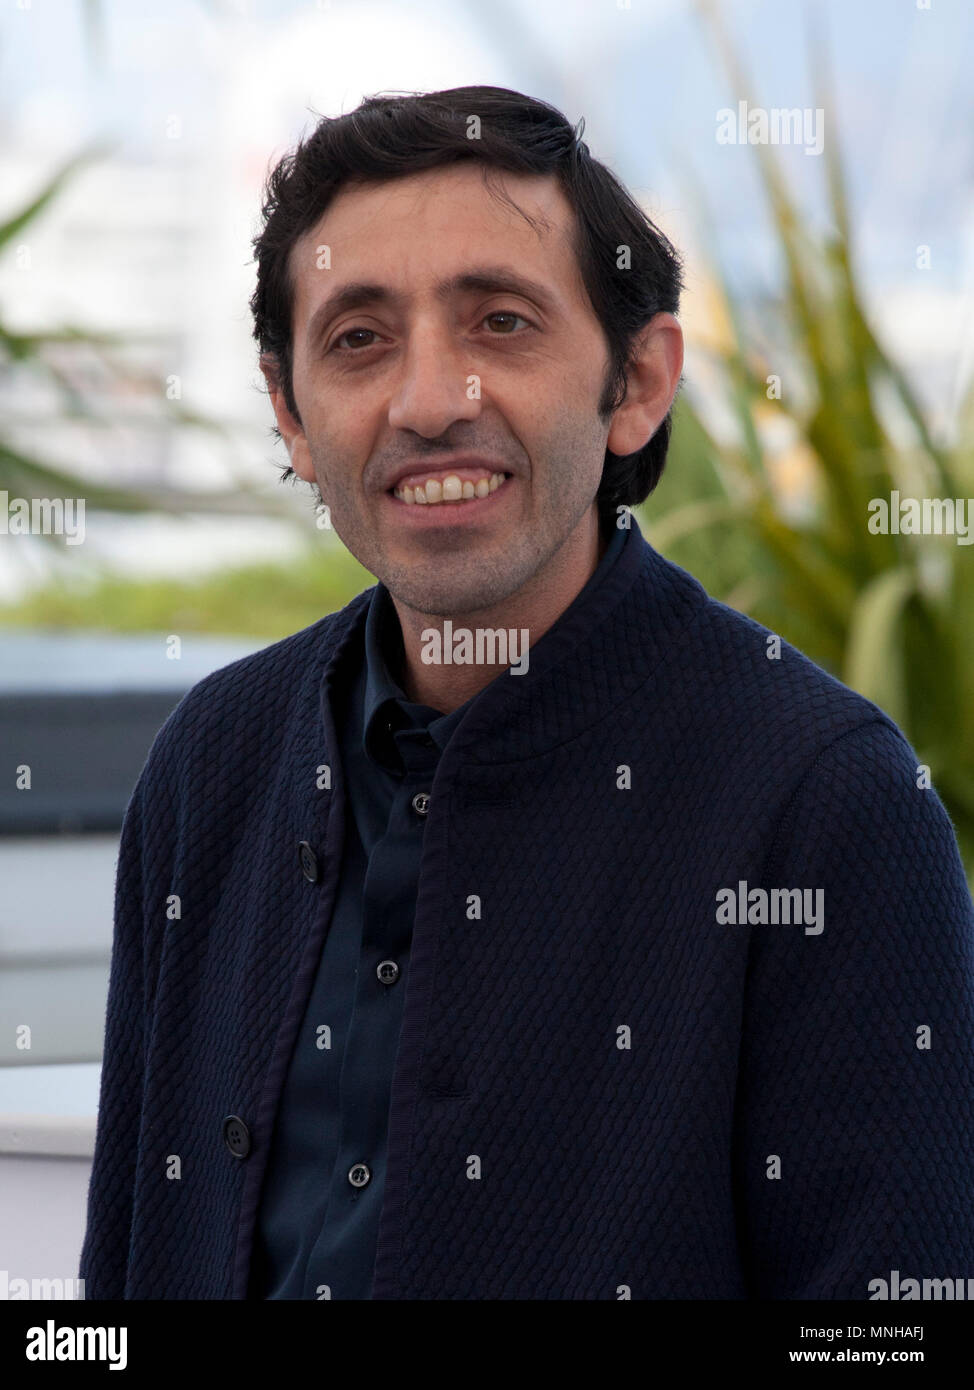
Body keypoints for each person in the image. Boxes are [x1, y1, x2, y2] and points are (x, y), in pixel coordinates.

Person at [80, 85, 974, 1300]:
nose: (429, 401)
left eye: (499, 321)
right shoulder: (213, 762)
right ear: (289, 413)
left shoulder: (823, 805)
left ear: (639, 381)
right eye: (357, 338)